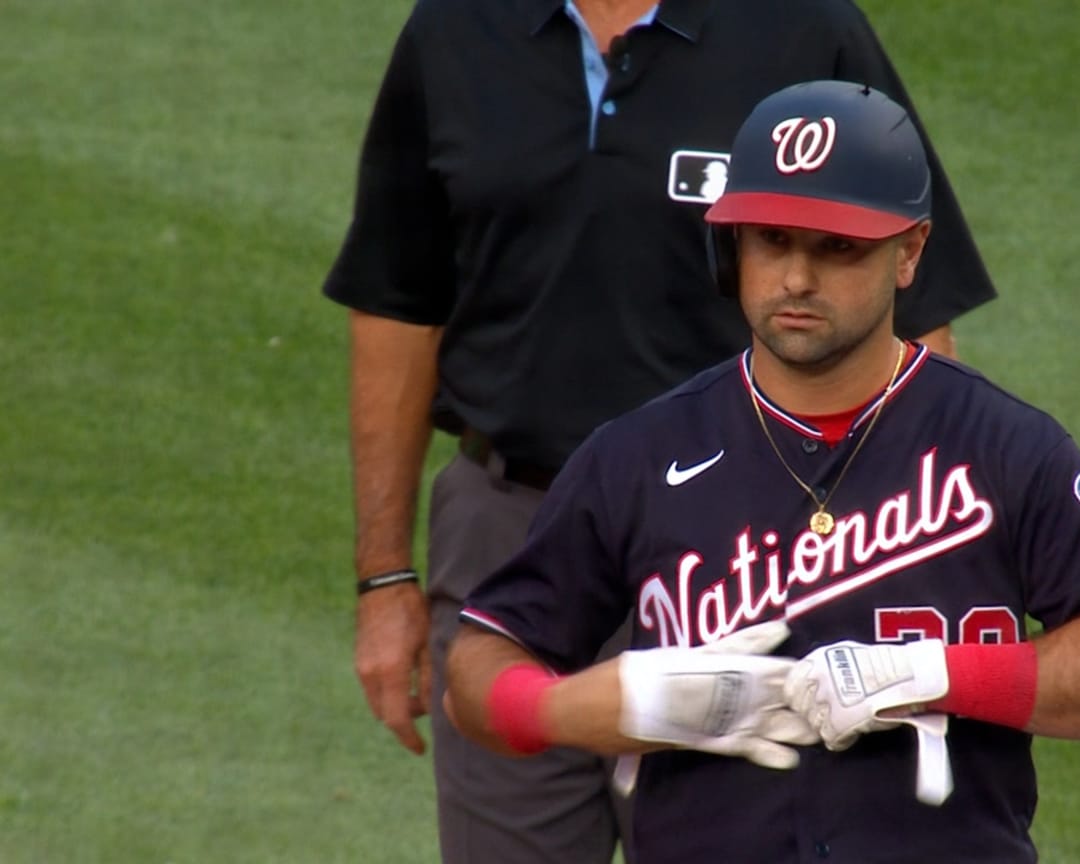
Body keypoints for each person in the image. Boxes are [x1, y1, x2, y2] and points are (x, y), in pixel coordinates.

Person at [445, 80, 1080, 864]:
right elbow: (476, 669)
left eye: (836, 246)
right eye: (771, 241)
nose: (797, 279)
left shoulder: (1005, 447)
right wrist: (580, 708)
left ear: (909, 251)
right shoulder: (636, 456)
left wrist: (936, 673)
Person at [321, 1, 996, 861]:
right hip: (512, 537)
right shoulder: (457, 27)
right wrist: (385, 578)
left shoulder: (798, 26)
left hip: (747, 554)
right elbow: (396, 304)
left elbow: (914, 312)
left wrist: (900, 565)